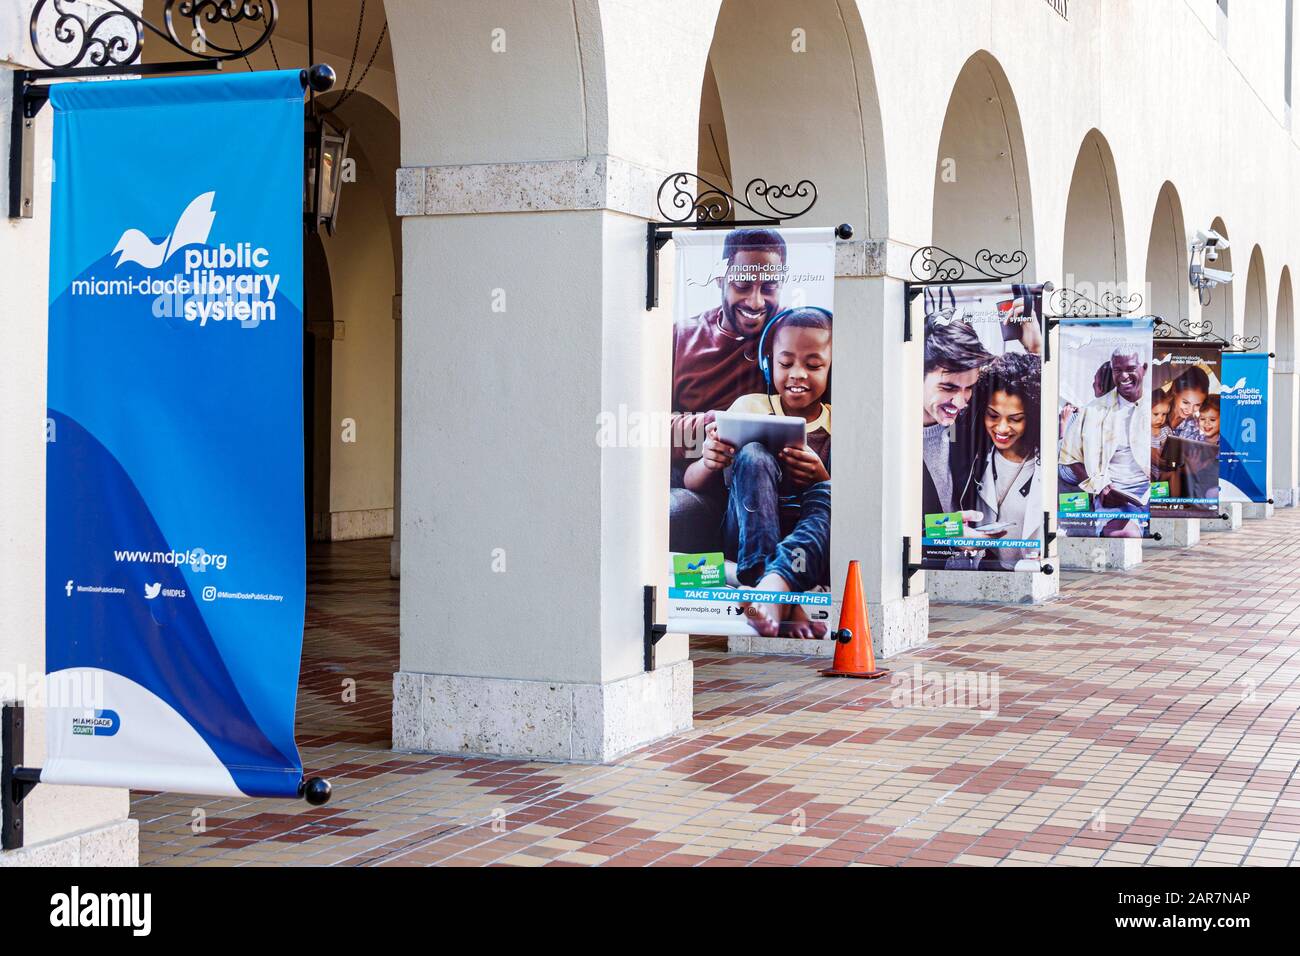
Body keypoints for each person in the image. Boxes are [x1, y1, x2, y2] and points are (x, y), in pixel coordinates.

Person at [687, 308, 831, 639]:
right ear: (769, 364)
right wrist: (709, 462)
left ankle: (773, 590)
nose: (797, 374)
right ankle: (776, 592)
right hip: (745, 536)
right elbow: (691, 483)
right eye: (785, 363)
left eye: (813, 365)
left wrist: (821, 476)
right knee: (752, 454)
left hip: (807, 547)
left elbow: (840, 507)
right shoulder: (747, 407)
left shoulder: (840, 420)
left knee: (832, 491)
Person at [670, 228, 788, 553]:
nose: (755, 301)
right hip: (697, 487)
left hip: (767, 491)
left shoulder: (791, 339)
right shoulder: (681, 338)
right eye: (742, 285)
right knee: (670, 511)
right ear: (721, 280)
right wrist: (720, 423)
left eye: (768, 287)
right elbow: (650, 422)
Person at [953, 352, 1043, 570]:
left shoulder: (1048, 467)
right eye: (993, 416)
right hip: (983, 576)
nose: (1001, 428)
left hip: (1033, 579)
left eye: (1015, 419)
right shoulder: (969, 461)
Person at [1058, 346, 1150, 537]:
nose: (1124, 376)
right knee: (1125, 534)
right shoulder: (1090, 412)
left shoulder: (1156, 406)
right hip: (1115, 498)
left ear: (1144, 368)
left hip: (1153, 494)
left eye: (1130, 369)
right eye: (1118, 370)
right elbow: (1069, 461)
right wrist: (1099, 488)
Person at [922, 315, 995, 526]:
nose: (960, 402)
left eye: (969, 388)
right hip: (920, 557)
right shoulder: (890, 434)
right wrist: (945, 531)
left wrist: (1036, 346)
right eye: (948, 388)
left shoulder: (969, 418)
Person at [1150, 387, 1173, 478]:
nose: (1160, 418)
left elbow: (1169, 449)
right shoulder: (1142, 432)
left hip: (1164, 470)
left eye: (1164, 414)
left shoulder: (1166, 430)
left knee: (1174, 474)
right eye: (1156, 414)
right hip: (1147, 472)